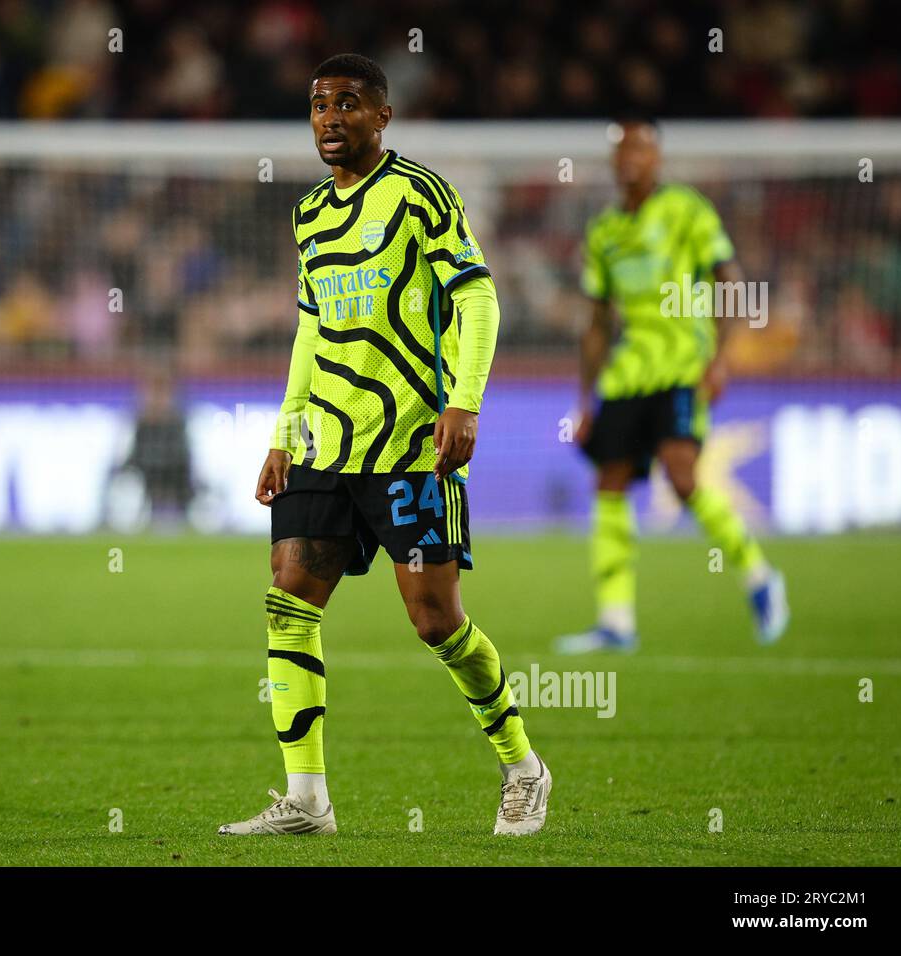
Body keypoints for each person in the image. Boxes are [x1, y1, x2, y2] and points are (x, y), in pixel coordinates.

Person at [218, 54, 550, 838]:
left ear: (382, 116)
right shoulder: (308, 216)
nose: (330, 117)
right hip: (324, 445)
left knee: (435, 621)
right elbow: (310, 329)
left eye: (349, 104)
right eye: (318, 105)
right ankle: (307, 800)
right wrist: (282, 433)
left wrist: (464, 401)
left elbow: (476, 294)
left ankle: (523, 766)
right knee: (288, 600)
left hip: (407, 446)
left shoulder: (419, 194)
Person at [556, 119, 789, 654]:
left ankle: (758, 575)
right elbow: (596, 324)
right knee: (609, 482)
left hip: (683, 366)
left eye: (641, 147)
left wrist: (722, 358)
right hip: (629, 373)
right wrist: (584, 401)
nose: (631, 158)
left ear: (657, 158)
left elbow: (731, 282)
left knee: (682, 476)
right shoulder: (605, 232)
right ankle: (616, 621)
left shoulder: (687, 210)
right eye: (622, 150)